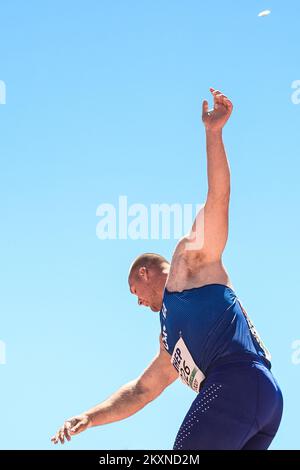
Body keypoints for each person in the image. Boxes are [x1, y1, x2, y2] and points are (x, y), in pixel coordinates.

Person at [51, 89, 283, 449]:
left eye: (134, 292)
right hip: (266, 402)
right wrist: (90, 417)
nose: (138, 303)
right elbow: (142, 390)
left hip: (235, 383)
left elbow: (217, 201)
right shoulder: (170, 340)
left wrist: (214, 134)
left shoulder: (188, 266)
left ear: (144, 273)